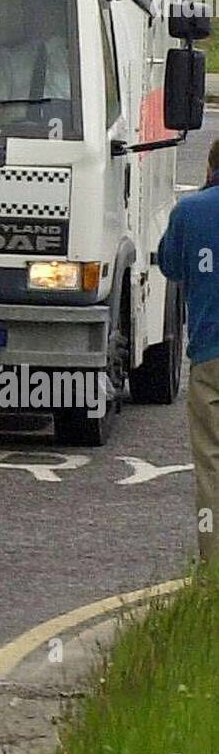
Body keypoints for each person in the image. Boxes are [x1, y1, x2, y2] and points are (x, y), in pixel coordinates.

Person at [156, 136, 219, 567]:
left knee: (211, 465)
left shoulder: (191, 211)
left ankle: (213, 565)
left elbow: (170, 266)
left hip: (209, 355)